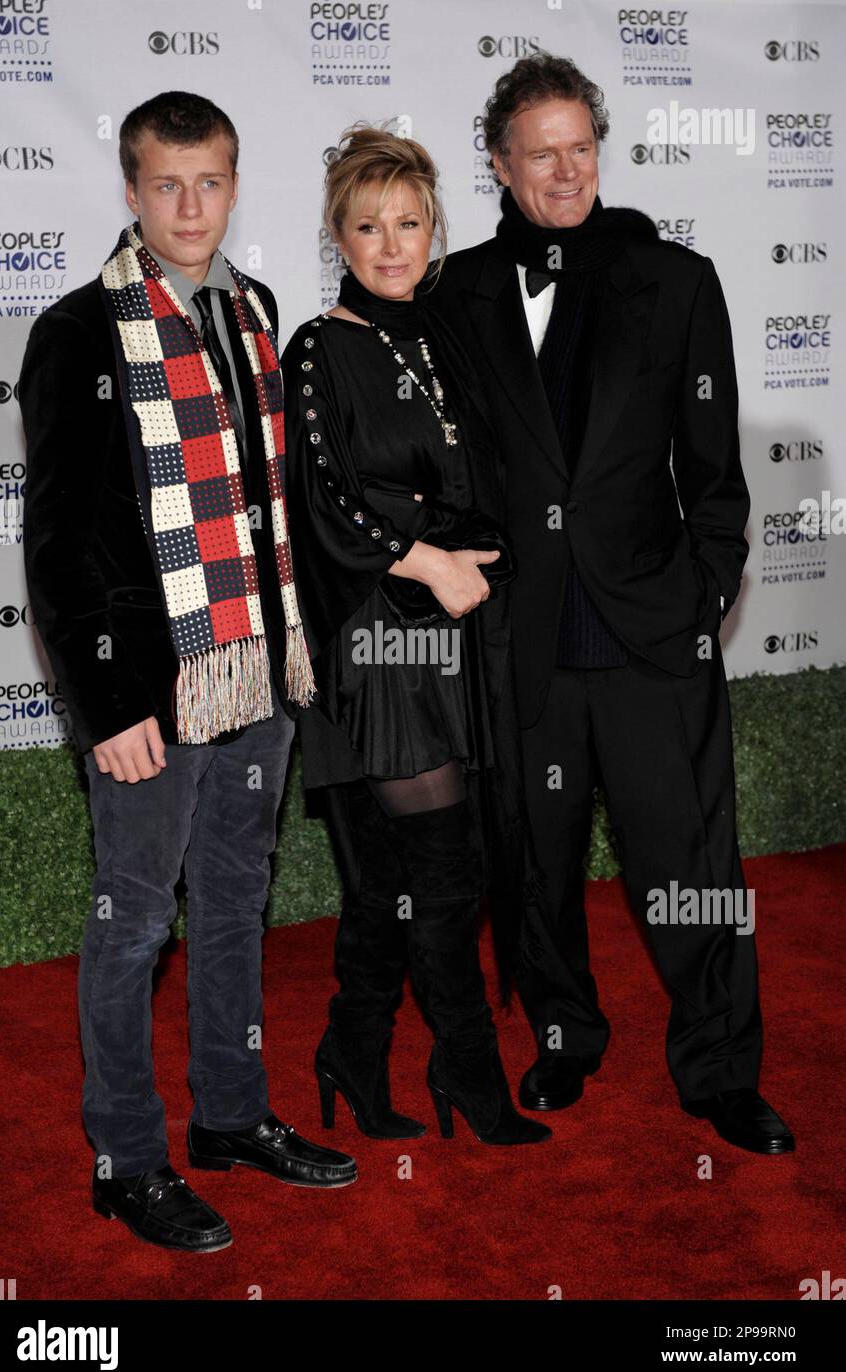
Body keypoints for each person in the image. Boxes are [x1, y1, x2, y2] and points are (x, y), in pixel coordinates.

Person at [433, 53, 794, 1156]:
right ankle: (563, 1034)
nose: (566, 170)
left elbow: (715, 477)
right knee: (536, 865)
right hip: (523, 640)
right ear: (498, 164)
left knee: (688, 867)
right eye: (540, 153)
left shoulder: (675, 282)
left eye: (581, 146)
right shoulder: (458, 294)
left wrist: (701, 596)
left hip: (649, 637)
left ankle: (723, 1067)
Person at [19, 90, 358, 1255]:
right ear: (129, 189)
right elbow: (58, 541)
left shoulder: (254, 309)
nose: (189, 204)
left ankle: (230, 1114)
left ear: (233, 179)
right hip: (150, 696)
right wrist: (107, 704)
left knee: (231, 909)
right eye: (165, 183)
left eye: (209, 180)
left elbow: (271, 508)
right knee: (129, 926)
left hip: (255, 674)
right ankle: (126, 1157)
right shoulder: (77, 331)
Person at [281, 123, 551, 1146]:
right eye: (367, 226)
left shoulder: (441, 339)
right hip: (377, 647)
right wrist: (424, 557)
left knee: (394, 886)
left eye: (408, 223)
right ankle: (470, 1073)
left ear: (435, 226)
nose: (390, 245)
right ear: (337, 238)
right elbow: (321, 500)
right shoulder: (320, 348)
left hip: (455, 643)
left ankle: (352, 1050)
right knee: (440, 876)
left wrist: (477, 554)